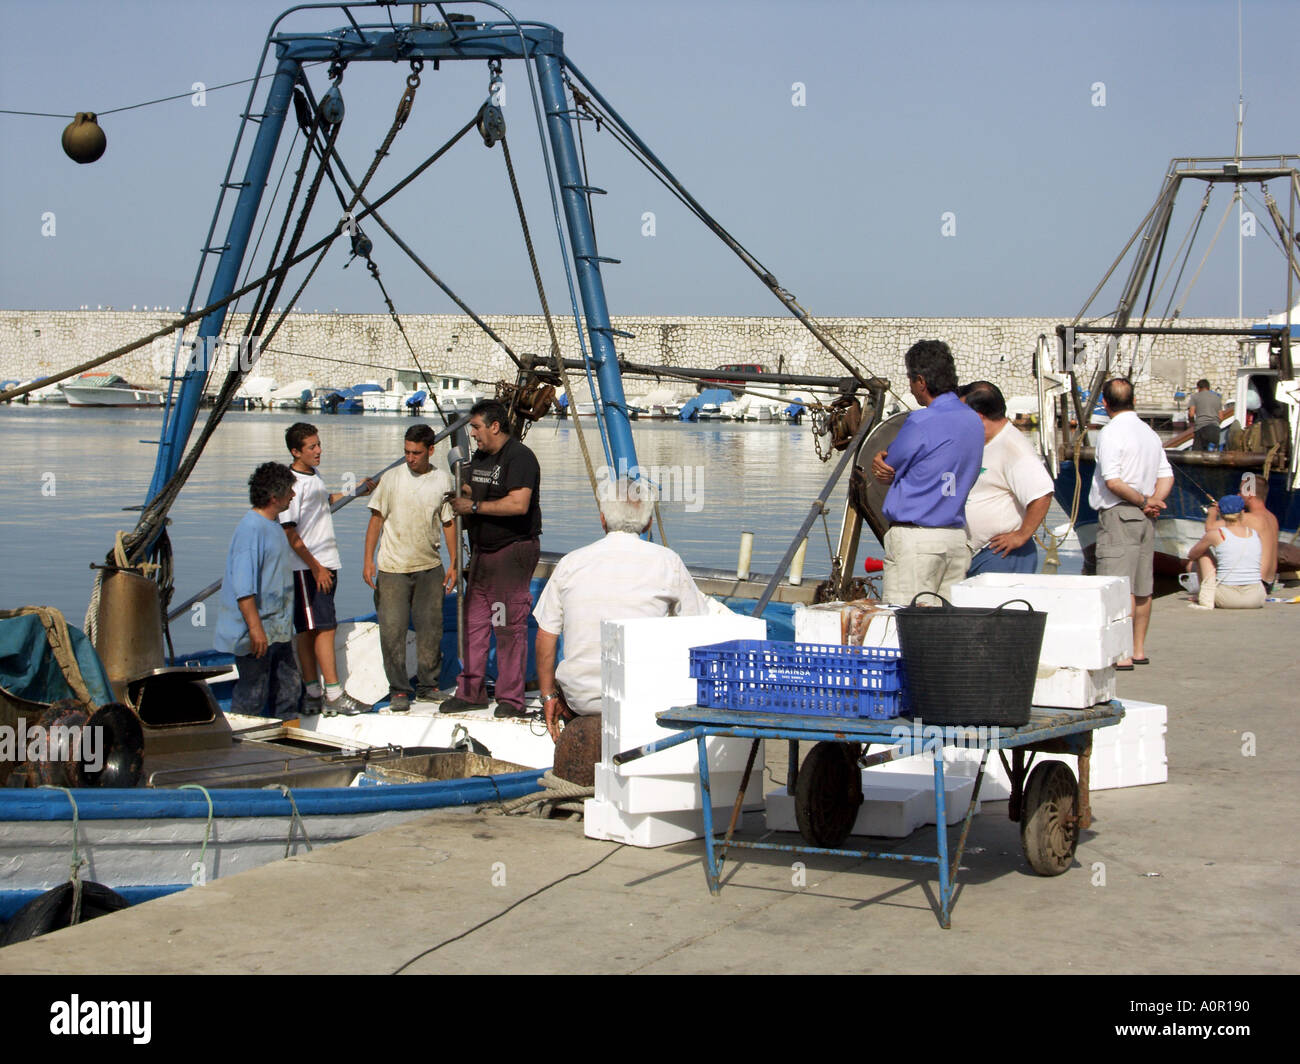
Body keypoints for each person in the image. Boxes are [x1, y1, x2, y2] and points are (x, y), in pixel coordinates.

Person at [532, 478, 711, 742]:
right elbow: (697, 631)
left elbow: (546, 638)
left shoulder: (570, 563)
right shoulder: (668, 562)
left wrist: (548, 696)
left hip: (581, 700)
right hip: (641, 698)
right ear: (649, 522)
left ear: (602, 519)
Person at [441, 400, 542, 719]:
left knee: (507, 626)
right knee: (473, 623)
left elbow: (518, 504)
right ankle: (470, 692)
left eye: (476, 427)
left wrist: (473, 508)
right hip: (483, 554)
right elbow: (474, 486)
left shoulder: (520, 457)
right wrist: (460, 492)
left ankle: (511, 698)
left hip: (512, 552)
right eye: (470, 428)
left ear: (494, 426)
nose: (472, 434)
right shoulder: (481, 458)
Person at [871, 339, 984, 604]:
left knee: (903, 624)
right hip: (955, 540)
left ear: (921, 381)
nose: (911, 390)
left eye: (911, 381)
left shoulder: (921, 421)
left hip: (917, 542)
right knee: (943, 630)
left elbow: (889, 464)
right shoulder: (973, 421)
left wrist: (882, 460)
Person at [363, 424, 458, 713]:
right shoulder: (391, 479)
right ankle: (399, 689)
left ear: (431, 450)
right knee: (392, 630)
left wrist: (454, 563)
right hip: (392, 568)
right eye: (406, 452)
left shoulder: (443, 480)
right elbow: (376, 521)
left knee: (431, 629)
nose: (410, 458)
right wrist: (368, 560)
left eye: (416, 453)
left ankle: (428, 686)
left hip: (430, 567)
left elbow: (448, 523)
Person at [280, 422, 373, 716]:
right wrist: (317, 568)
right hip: (309, 569)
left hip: (326, 564)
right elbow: (290, 534)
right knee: (321, 628)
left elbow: (323, 501)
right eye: (312, 447)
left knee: (313, 628)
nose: (319, 451)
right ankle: (330, 693)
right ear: (296, 452)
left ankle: (313, 693)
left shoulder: (312, 476)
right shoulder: (291, 484)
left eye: (319, 444)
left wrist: (355, 492)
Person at [1088, 378, 1174, 669]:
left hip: (1121, 512)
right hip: (1145, 518)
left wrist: (1141, 500)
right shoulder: (1149, 433)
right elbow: (1166, 475)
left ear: (1105, 402)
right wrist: (1154, 501)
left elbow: (1112, 481)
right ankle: (1138, 649)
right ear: (1133, 400)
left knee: (1116, 585)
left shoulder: (1111, 433)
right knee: (1142, 586)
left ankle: (1121, 654)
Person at [213, 463, 302, 718]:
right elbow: (243, 588)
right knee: (253, 691)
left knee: (288, 687)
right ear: (274, 497)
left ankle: (286, 735)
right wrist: (255, 629)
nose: (292, 496)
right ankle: (245, 741)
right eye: (289, 492)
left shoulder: (274, 525)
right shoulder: (251, 530)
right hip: (256, 632)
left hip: (279, 628)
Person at [958, 381, 1055, 576]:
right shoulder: (985, 442)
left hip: (1003, 554)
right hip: (979, 554)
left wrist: (1021, 535)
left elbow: (1042, 493)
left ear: (977, 417)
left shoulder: (1014, 446)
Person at [1185, 495, 1266, 609]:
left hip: (1228, 598)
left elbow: (1192, 555)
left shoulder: (1217, 534)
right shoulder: (1254, 534)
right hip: (1257, 597)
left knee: (1203, 553)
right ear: (1242, 512)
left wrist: (1211, 514)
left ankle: (1205, 598)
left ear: (1221, 514)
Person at [1238, 473, 1280, 591]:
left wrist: (1216, 512)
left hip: (1256, 584)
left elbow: (1211, 528)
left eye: (1240, 491)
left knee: (1202, 558)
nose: (1238, 495)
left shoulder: (1250, 518)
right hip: (1269, 583)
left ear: (1250, 494)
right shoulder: (1272, 518)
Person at [1187, 379, 1223, 451]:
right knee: (1213, 456)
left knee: (1197, 456)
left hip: (1201, 428)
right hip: (1215, 429)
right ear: (1209, 387)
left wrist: (1192, 424)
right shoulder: (1217, 397)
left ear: (1198, 388)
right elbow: (1221, 417)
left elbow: (1191, 414)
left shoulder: (1195, 397)